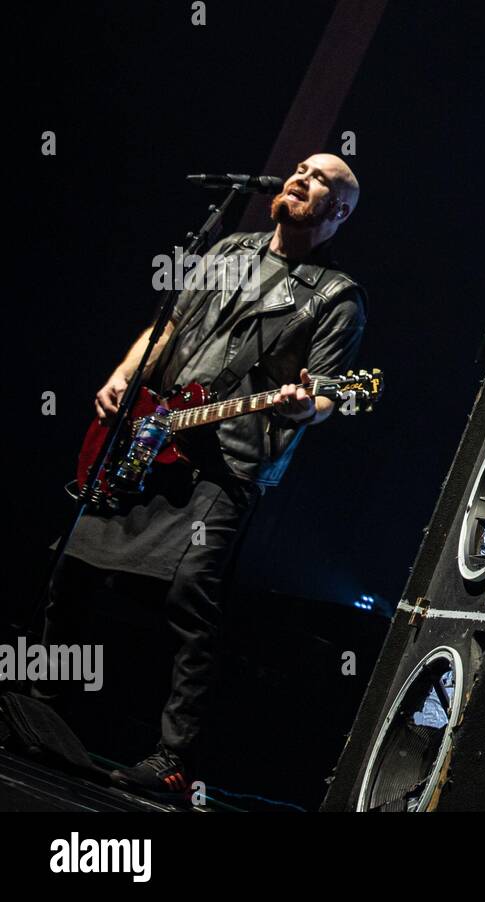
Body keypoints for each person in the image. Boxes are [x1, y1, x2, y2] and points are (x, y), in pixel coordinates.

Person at [34, 153, 367, 798]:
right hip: (151, 438)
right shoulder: (228, 249)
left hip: (230, 461)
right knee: (70, 568)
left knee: (191, 596)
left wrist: (308, 405)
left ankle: (173, 756)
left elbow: (329, 393)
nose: (303, 177)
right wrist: (125, 374)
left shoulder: (337, 296)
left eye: (322, 178)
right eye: (301, 168)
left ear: (340, 211)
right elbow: (167, 329)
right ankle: (43, 706)